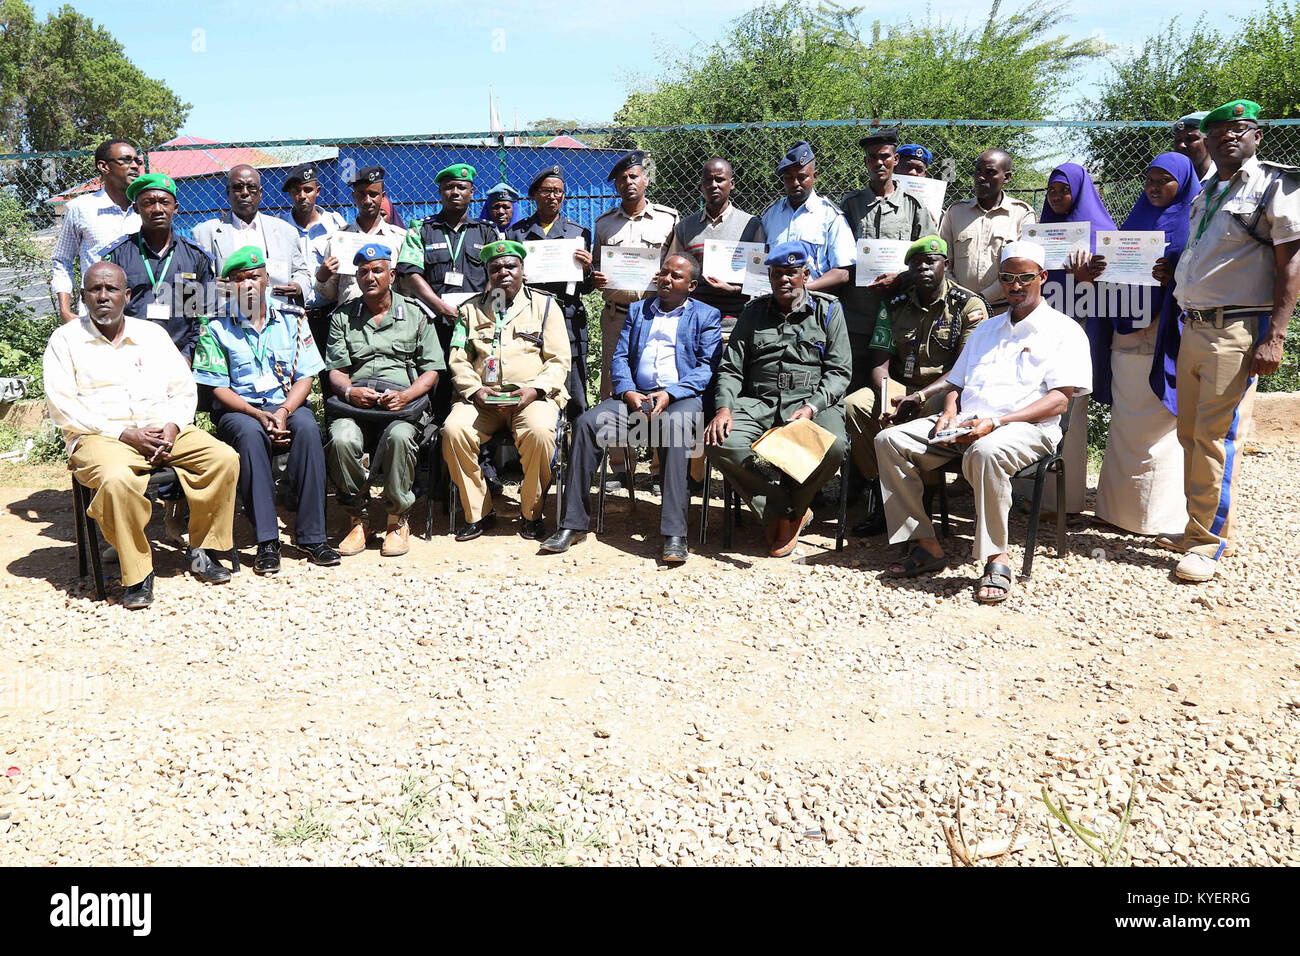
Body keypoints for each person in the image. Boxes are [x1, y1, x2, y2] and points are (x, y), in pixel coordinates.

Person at [874, 241, 1091, 604]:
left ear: (1042, 277)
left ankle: (996, 559)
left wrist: (997, 421)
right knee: (889, 441)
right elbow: (957, 383)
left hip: (1026, 429)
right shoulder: (987, 330)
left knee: (986, 451)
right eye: (1008, 278)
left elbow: (1059, 400)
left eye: (1024, 277)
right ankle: (926, 544)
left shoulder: (1063, 330)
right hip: (968, 423)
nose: (1015, 285)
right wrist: (948, 411)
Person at [43, 262, 239, 609]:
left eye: (112, 289)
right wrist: (124, 433)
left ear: (127, 296)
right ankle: (137, 571)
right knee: (117, 479)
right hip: (99, 436)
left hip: (161, 429)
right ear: (84, 296)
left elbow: (183, 388)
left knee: (222, 458)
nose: (103, 296)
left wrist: (174, 425)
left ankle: (202, 548)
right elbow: (63, 406)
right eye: (94, 290)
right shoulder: (66, 340)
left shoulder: (152, 334)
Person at [1166, 100, 1300, 583]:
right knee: (1189, 433)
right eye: (1218, 129)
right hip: (1195, 326)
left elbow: (1290, 264)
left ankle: (1206, 544)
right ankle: (1196, 526)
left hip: (1238, 328)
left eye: (1238, 129)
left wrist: (1275, 337)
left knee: (1214, 437)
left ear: (1256, 135)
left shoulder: (1274, 186)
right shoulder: (1210, 189)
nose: (1227, 136)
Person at [541, 254, 721, 563]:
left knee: (673, 430)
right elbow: (620, 357)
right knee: (587, 424)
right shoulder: (639, 310)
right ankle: (572, 524)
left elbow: (705, 369)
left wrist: (671, 393)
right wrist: (627, 392)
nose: (666, 279)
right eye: (663, 273)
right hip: (636, 398)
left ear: (691, 285)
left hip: (680, 400)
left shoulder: (706, 315)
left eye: (675, 276)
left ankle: (674, 533)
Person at [192, 246, 340, 574]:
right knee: (248, 435)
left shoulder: (293, 317)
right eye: (239, 279)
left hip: (285, 402)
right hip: (240, 408)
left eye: (254, 277)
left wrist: (285, 411)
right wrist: (257, 414)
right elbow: (217, 387)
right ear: (229, 286)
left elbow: (306, 376)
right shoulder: (215, 325)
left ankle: (313, 536)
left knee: (308, 429)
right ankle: (267, 541)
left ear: (267, 280)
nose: (248, 285)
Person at [703, 241, 851, 558]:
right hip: (759, 399)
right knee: (720, 441)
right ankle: (782, 510)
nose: (784, 280)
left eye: (792, 273)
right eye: (778, 274)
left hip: (812, 400)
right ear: (770, 277)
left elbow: (840, 371)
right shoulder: (754, 312)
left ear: (806, 275)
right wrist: (724, 408)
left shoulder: (828, 310)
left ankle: (793, 510)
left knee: (834, 445)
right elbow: (731, 367)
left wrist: (812, 407)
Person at [1081, 153, 1200, 536]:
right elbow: (1115, 273)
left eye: (1163, 179)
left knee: (1160, 428)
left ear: (1181, 181)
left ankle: (1155, 518)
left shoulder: (1193, 220)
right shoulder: (1135, 221)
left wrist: (1175, 276)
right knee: (1125, 422)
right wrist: (1098, 272)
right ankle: (1115, 510)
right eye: (1149, 179)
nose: (1153, 186)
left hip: (1168, 333)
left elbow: (1201, 272)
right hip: (1127, 331)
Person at [844, 235, 988, 535]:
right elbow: (879, 363)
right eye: (916, 263)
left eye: (930, 261)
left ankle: (921, 500)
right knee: (855, 405)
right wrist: (887, 396)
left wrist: (920, 397)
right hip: (901, 388)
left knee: (925, 415)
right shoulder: (894, 304)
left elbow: (961, 371)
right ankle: (887, 491)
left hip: (945, 393)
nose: (923, 267)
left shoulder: (968, 305)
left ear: (945, 265)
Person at [442, 240, 571, 542]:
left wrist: (536, 390)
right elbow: (457, 359)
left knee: (540, 432)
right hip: (482, 399)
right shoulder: (469, 310)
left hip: (530, 398)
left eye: (510, 266)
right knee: (453, 429)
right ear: (488, 274)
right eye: (495, 268)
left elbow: (559, 360)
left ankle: (531, 513)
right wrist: (474, 391)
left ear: (523, 271)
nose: (503, 272)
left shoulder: (546, 306)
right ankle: (479, 513)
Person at [326, 244, 444, 558]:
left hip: (401, 405)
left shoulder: (415, 314)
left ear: (391, 275)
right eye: (363, 272)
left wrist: (405, 395)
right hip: (358, 403)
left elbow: (431, 370)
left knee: (401, 437)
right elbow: (336, 371)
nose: (370, 277)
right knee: (340, 437)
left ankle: (397, 518)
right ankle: (357, 518)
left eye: (377, 270)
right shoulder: (343, 317)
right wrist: (351, 391)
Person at [592, 151, 680, 483]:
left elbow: (675, 269)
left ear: (645, 179)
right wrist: (596, 277)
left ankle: (659, 467)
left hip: (654, 315)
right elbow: (596, 271)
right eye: (622, 178)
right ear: (615, 185)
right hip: (616, 316)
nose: (628, 182)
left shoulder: (668, 220)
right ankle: (620, 467)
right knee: (613, 388)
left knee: (657, 383)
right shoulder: (604, 224)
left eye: (634, 176)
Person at [1037, 162, 1117, 516]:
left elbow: (1116, 294)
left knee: (1070, 410)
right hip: (1040, 331)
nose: (1056, 197)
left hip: (1080, 331)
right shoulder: (1042, 231)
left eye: (1063, 191)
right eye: (1051, 191)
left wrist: (1086, 280)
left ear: (1080, 191)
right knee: (1034, 403)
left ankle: (1065, 501)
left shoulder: (1101, 233)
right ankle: (1034, 494)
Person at [839, 127, 929, 392]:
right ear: (866, 161)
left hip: (901, 312)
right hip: (859, 312)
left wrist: (901, 278)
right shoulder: (851, 204)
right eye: (872, 157)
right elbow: (841, 255)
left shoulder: (914, 205)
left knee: (899, 384)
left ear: (895, 160)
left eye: (885, 156)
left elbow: (930, 256)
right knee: (853, 383)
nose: (879, 162)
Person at [508, 165, 595, 420]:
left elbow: (587, 289)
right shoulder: (517, 233)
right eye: (547, 191)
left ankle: (577, 457)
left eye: (558, 191)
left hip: (567, 316)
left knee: (576, 394)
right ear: (534, 195)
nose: (553, 197)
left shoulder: (578, 234)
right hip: (529, 318)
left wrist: (587, 269)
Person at [104, 172, 213, 361]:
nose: (157, 209)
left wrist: (187, 357)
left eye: (164, 202)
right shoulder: (117, 256)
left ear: (175, 208)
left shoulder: (196, 257)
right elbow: (108, 311)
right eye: (148, 203)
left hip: (182, 357)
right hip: (129, 357)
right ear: (136, 208)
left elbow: (204, 314)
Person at [668, 157, 765, 337]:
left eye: (720, 179)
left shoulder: (751, 225)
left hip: (738, 324)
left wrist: (734, 290)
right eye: (708, 180)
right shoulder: (684, 228)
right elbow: (675, 274)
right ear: (701, 185)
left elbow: (760, 280)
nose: (713, 185)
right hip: (695, 324)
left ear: (732, 183)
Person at [51, 138, 143, 323]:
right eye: (126, 160)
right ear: (104, 166)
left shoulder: (146, 210)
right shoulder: (81, 208)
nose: (135, 166)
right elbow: (62, 260)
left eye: (137, 161)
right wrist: (65, 311)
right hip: (94, 318)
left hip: (140, 315)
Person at [191, 165, 311, 304]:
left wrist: (298, 287)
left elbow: (302, 273)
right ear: (228, 192)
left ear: (260, 193)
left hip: (276, 317)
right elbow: (189, 284)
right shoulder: (205, 233)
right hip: (227, 319)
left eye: (251, 187)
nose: (245, 193)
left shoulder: (286, 231)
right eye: (238, 187)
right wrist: (210, 287)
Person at [939, 149, 1036, 313]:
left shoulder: (1022, 214)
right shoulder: (955, 212)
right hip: (958, 308)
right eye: (978, 171)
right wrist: (962, 297)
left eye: (990, 173)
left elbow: (1021, 268)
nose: (981, 178)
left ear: (1007, 177)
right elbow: (943, 262)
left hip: (1004, 309)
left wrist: (981, 299)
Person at [759, 141, 855, 294]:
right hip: (774, 304)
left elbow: (842, 273)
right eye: (788, 178)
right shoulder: (771, 215)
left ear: (815, 177)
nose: (795, 183)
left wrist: (799, 290)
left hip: (814, 304)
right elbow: (758, 263)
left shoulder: (830, 216)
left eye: (802, 177)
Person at [313, 165, 407, 314]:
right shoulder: (338, 240)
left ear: (383, 196)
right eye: (362, 194)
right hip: (351, 322)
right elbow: (331, 294)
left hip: (390, 323)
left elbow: (405, 290)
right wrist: (322, 278)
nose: (368, 200)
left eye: (373, 194)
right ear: (354, 196)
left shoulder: (399, 239)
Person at [280, 162, 346, 314]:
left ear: (318, 191)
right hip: (292, 311)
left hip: (329, 312)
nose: (302, 196)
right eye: (296, 191)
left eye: (308, 190)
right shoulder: (279, 227)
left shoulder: (336, 225)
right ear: (289, 193)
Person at [1173, 112, 1216, 183]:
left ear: (1208, 142)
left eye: (1191, 139)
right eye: (1178, 140)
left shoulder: (1224, 180)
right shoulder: (1172, 182)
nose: (1181, 145)